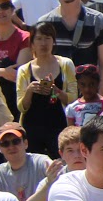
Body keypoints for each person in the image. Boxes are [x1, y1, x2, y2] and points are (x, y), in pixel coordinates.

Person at [44, 0, 103, 96]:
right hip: (57, 95)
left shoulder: (98, 21)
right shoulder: (45, 23)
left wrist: (100, 97)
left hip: (88, 94)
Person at [14, 21, 76, 156]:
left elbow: (73, 99)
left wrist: (57, 92)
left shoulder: (65, 64)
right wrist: (30, 90)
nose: (43, 43)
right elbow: (21, 107)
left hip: (58, 124)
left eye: (48, 38)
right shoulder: (24, 70)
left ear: (53, 41)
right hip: (32, 126)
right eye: (39, 39)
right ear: (32, 43)